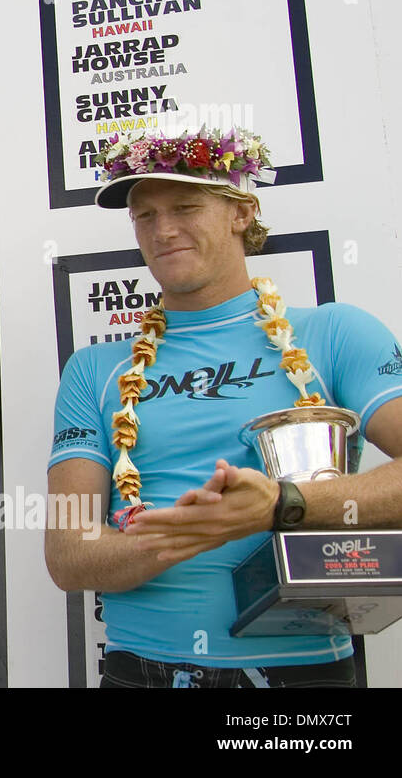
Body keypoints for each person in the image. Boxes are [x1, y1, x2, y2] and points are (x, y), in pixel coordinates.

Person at [46, 127, 402, 687]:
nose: (164, 231)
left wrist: (281, 504)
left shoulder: (335, 332)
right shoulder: (94, 369)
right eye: (145, 215)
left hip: (303, 672)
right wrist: (190, 530)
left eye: (186, 206)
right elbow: (68, 554)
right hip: (137, 673)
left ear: (242, 212)